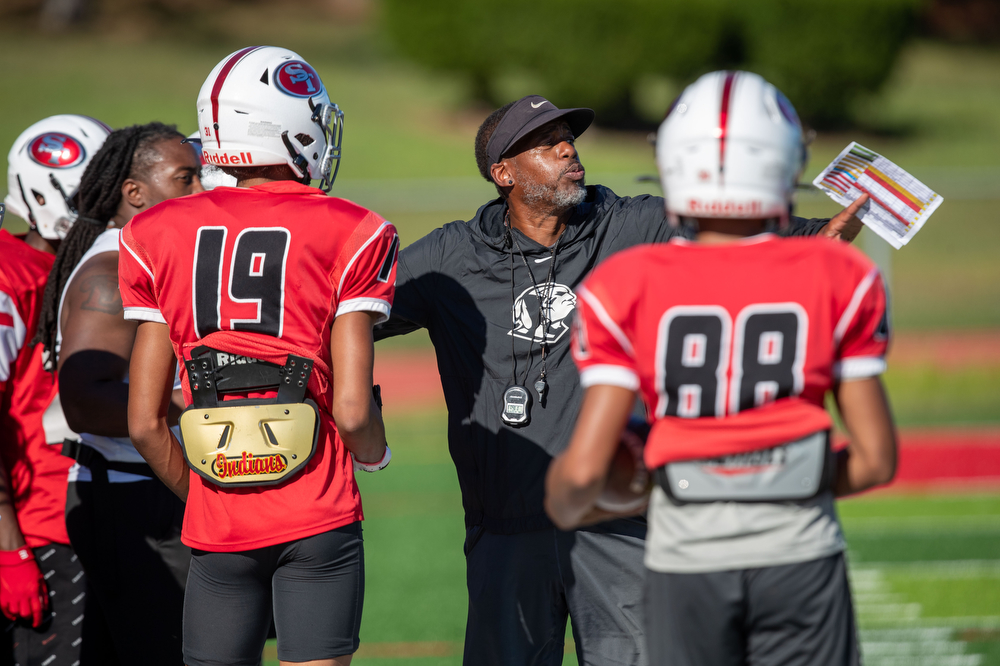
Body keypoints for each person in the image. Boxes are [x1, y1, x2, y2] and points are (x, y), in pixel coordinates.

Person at [374, 93, 868, 664]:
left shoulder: (633, 224)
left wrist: (853, 217)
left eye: (569, 138)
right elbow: (351, 314)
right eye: (545, 143)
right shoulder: (450, 256)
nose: (567, 149)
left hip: (617, 525)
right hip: (504, 533)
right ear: (503, 173)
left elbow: (790, 245)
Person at [545, 71, 896, 665]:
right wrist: (780, 480)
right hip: (802, 557)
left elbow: (580, 479)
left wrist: (663, 484)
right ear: (784, 163)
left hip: (687, 564)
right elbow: (874, 459)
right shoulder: (840, 273)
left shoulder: (625, 284)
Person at [119, 46, 396, 666]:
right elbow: (352, 413)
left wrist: (209, 497)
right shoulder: (353, 229)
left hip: (218, 517)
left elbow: (142, 422)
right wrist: (375, 458)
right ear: (286, 127)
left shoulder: (154, 233)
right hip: (317, 508)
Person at [33, 121, 203, 665]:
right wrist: (199, 405)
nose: (199, 192)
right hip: (133, 499)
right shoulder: (112, 269)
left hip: (137, 491)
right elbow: (85, 401)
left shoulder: (142, 256)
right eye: (185, 179)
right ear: (134, 192)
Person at [0, 114, 109, 666]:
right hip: (38, 526)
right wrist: (8, 547)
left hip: (88, 513)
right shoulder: (11, 274)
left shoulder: (96, 269)